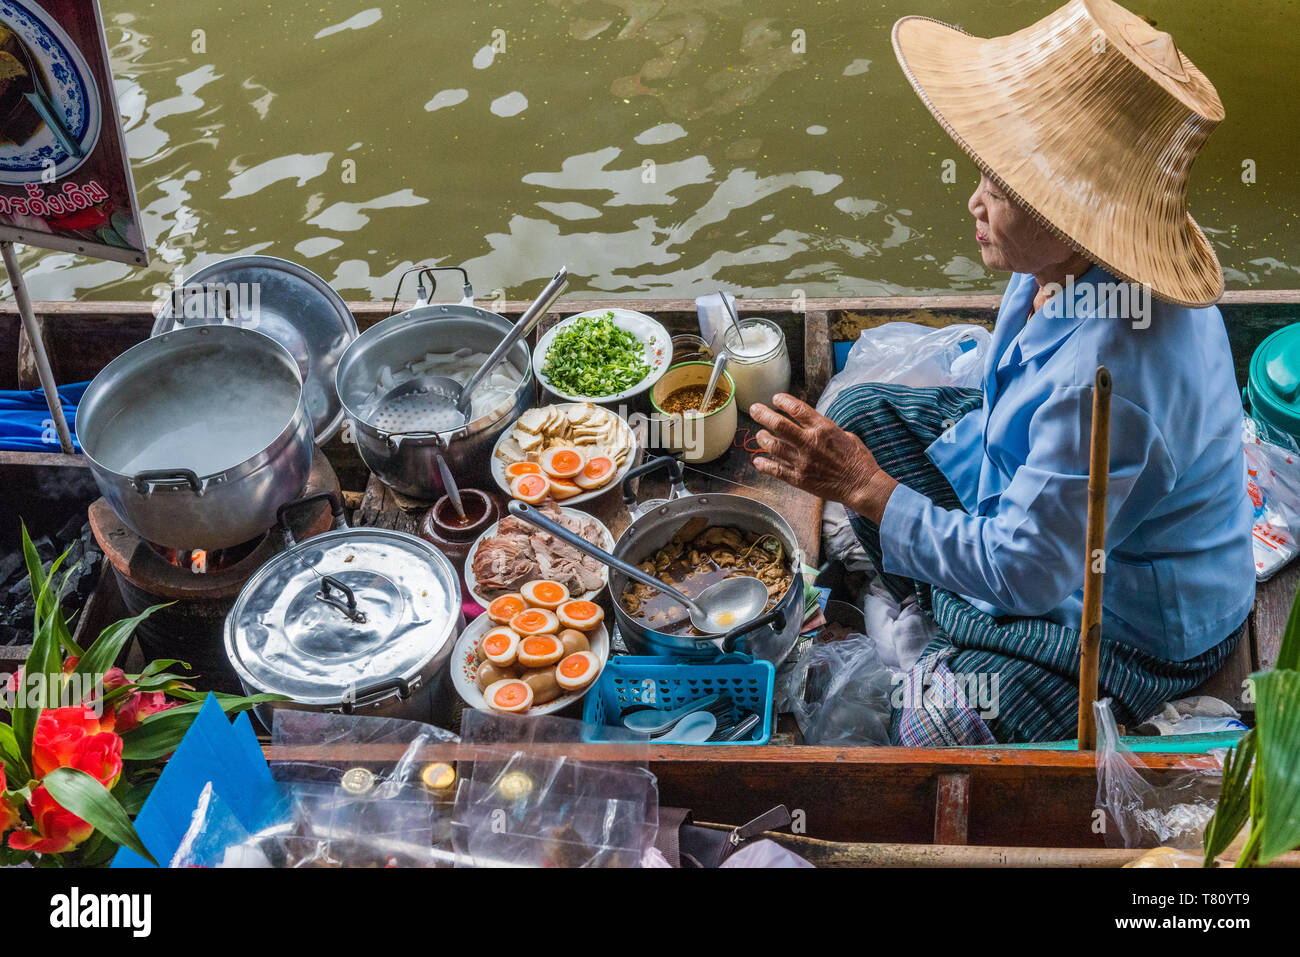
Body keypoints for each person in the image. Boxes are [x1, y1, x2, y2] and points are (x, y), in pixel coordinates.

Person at [749, 0, 1255, 744]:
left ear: (1071, 210)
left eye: (998, 187)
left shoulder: (1105, 377)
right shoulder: (1059, 261)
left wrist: (867, 487)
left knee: (936, 723)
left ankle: (957, 623)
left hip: (1128, 618)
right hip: (1038, 516)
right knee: (856, 414)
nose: (974, 201)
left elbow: (1031, 574)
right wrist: (872, 476)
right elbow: (1008, 391)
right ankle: (950, 604)